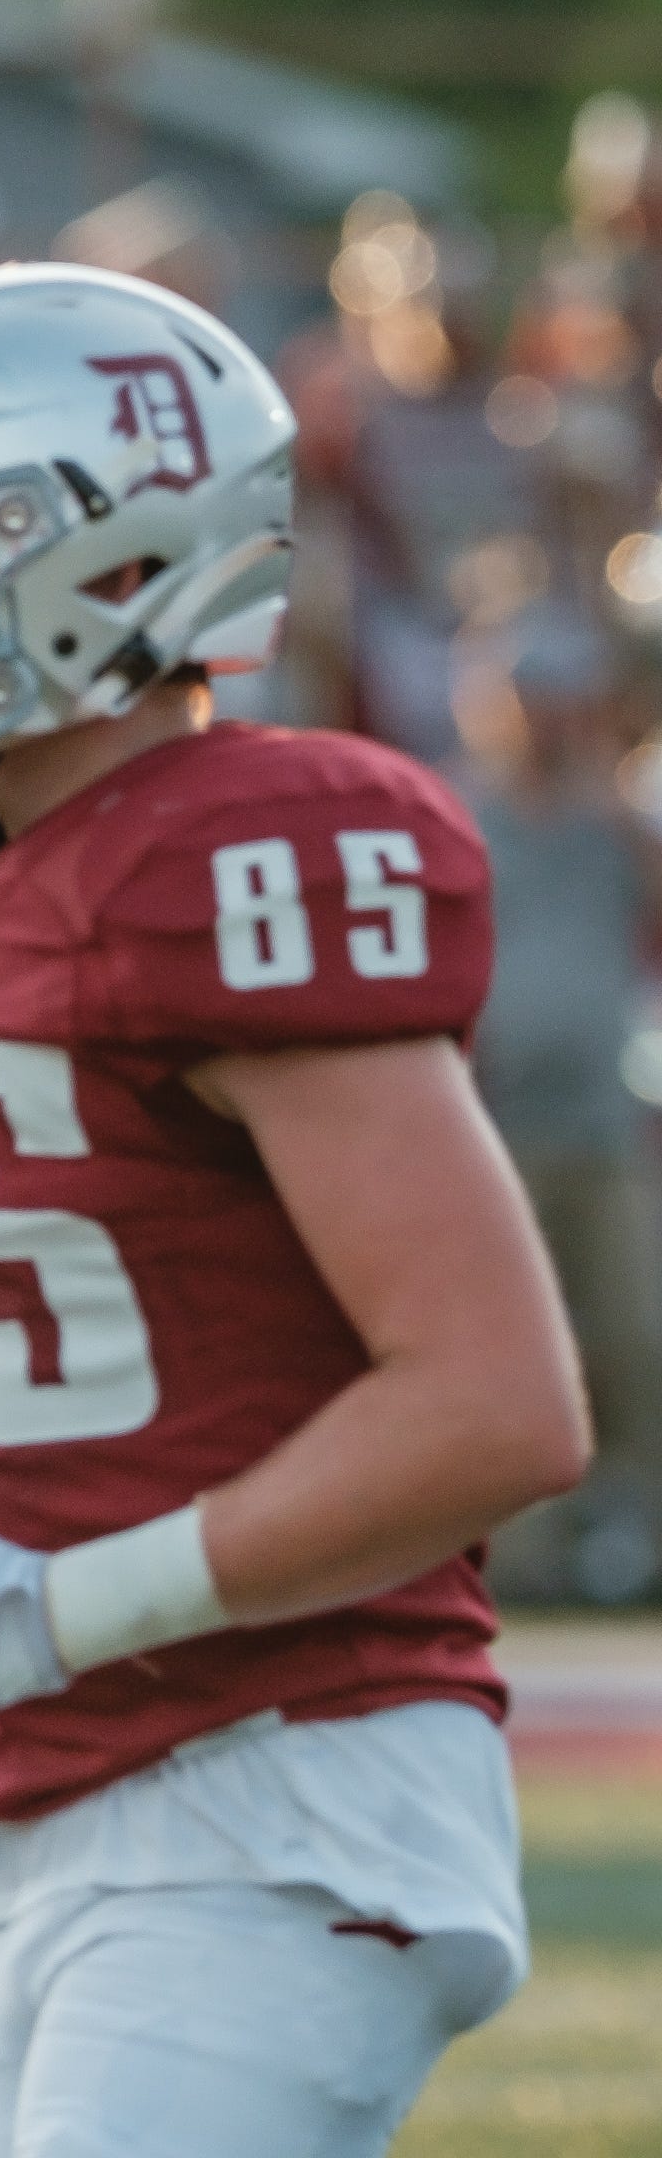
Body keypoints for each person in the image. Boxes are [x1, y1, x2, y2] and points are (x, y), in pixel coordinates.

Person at [0, 262, 591, 2156]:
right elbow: (129, 1359)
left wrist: (48, 1608)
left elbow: (496, 1405)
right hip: (88, 1785)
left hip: (291, 1772)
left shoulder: (236, 847)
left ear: (118, 560)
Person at [449, 611, 662, 1602]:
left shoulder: (609, 821)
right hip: (494, 1127)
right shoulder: (468, 816)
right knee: (510, 1349)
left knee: (636, 1331)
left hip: (601, 1124)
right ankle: (518, 1557)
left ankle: (640, 1535)